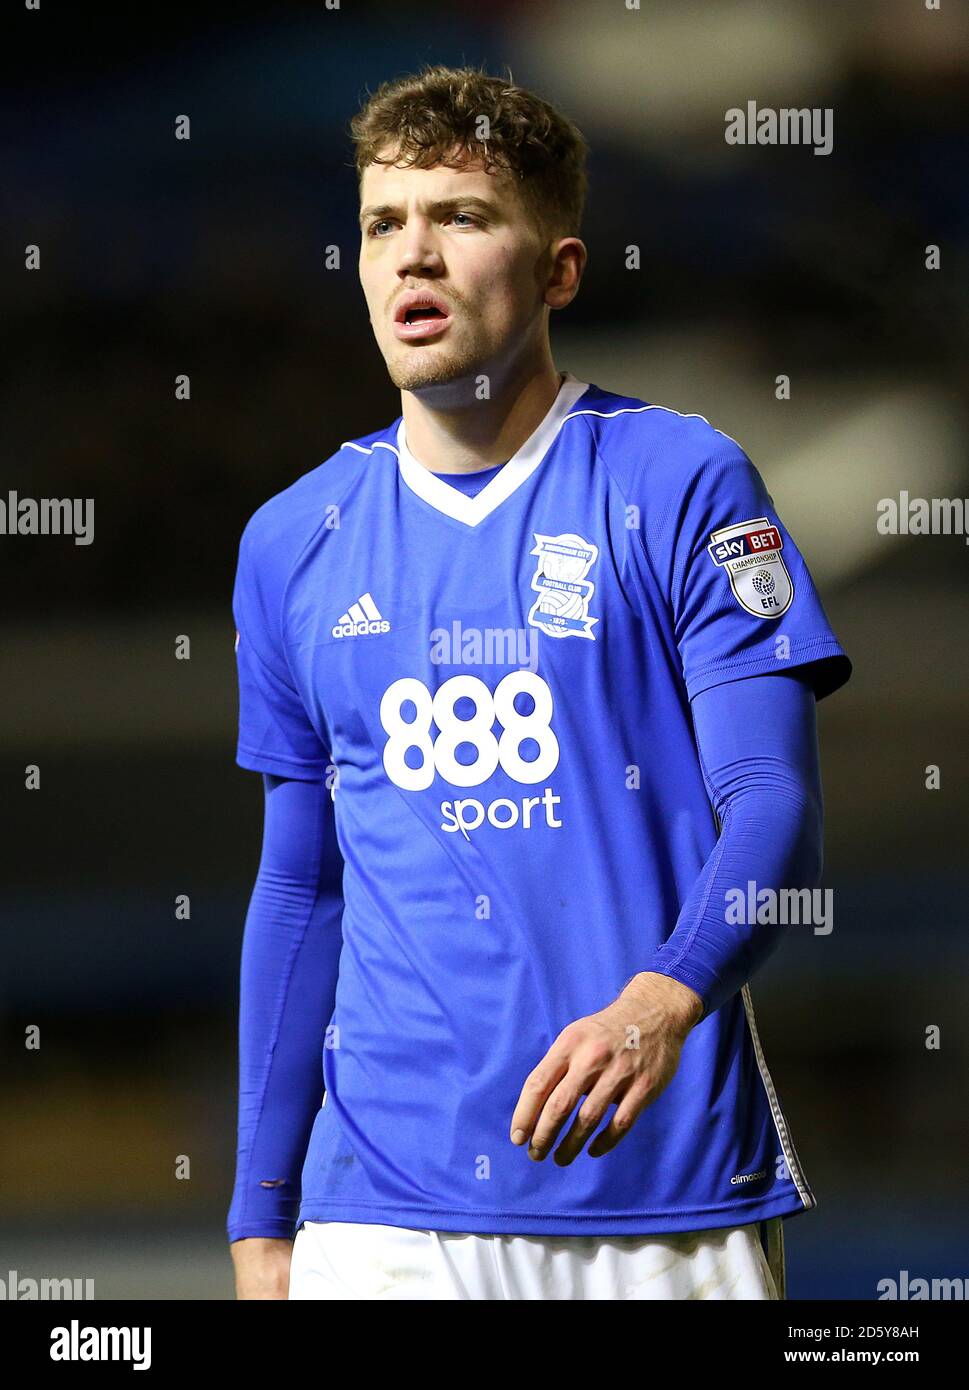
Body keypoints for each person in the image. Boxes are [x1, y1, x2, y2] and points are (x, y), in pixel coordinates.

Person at [227, 64, 851, 1300]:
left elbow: (776, 805)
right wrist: (261, 1218)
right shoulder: (292, 539)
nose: (414, 256)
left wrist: (663, 1001)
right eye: (382, 224)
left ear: (559, 270)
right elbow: (300, 888)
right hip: (381, 1205)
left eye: (460, 218)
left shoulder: (681, 480)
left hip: (657, 1193)